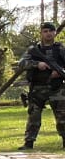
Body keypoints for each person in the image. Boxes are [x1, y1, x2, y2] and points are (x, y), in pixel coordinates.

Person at [18, 22, 65, 150]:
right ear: (41, 33)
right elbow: (22, 63)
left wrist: (59, 72)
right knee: (34, 116)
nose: (48, 33)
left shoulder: (60, 49)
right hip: (37, 88)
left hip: (57, 88)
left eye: (51, 31)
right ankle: (29, 143)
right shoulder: (34, 50)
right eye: (45, 31)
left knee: (62, 117)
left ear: (55, 33)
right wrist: (37, 64)